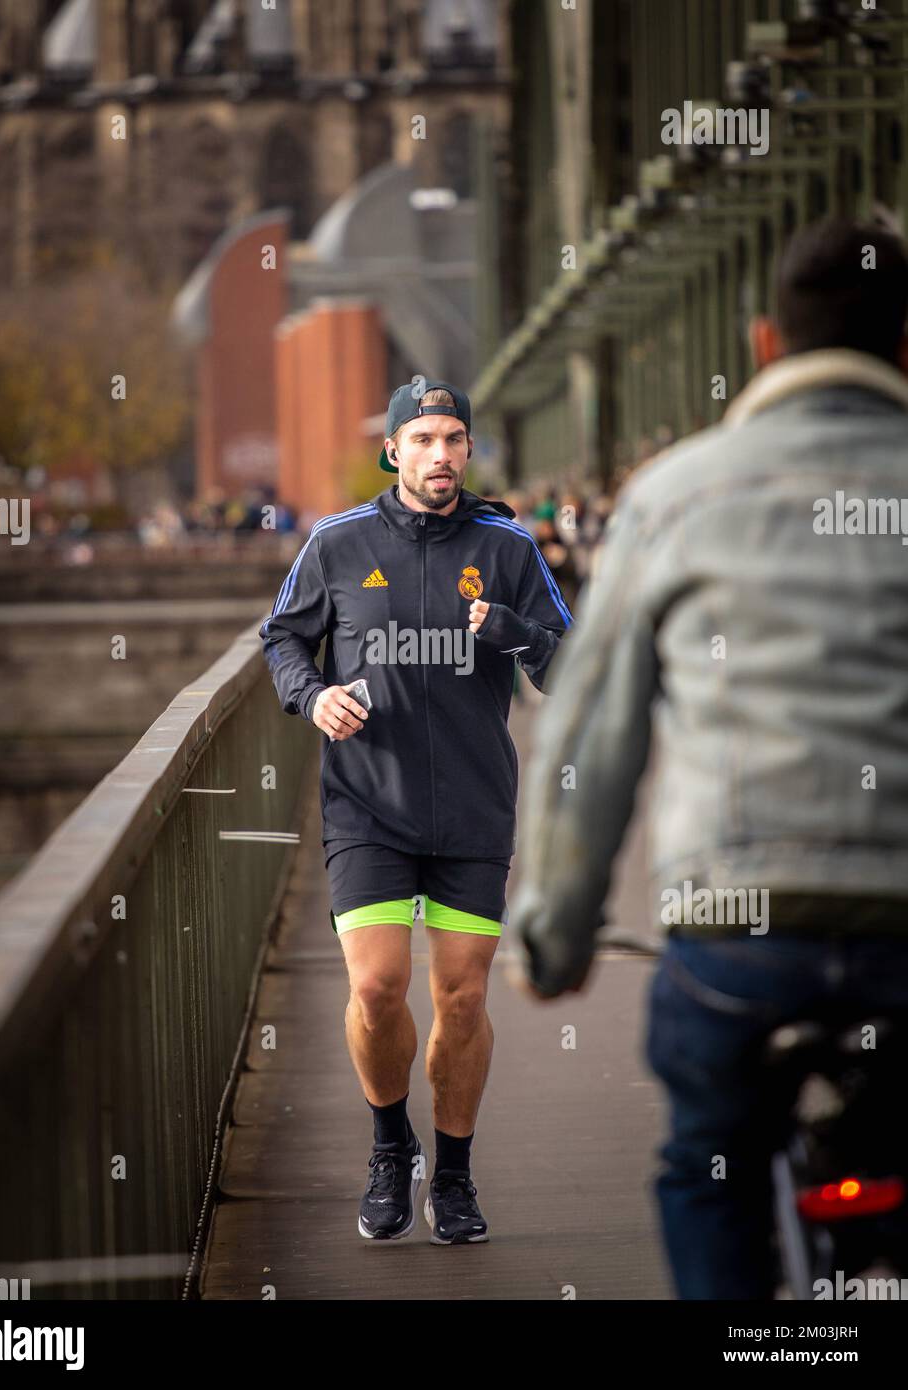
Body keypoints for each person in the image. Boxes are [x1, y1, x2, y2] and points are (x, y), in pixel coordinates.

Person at [507, 217, 908, 1298]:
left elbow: (589, 741)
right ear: (907, 348)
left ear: (767, 342)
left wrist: (557, 932)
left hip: (741, 935)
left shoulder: (674, 497)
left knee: (708, 1165)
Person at [260, 381, 573, 1243]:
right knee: (375, 985)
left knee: (463, 1001)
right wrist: (311, 695)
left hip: (474, 807)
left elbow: (571, 661)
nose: (441, 454)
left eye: (455, 439)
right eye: (424, 438)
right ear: (392, 451)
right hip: (367, 802)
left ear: (468, 451)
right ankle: (389, 1144)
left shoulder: (506, 545)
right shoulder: (336, 543)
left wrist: (516, 632)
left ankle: (457, 1177)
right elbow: (282, 635)